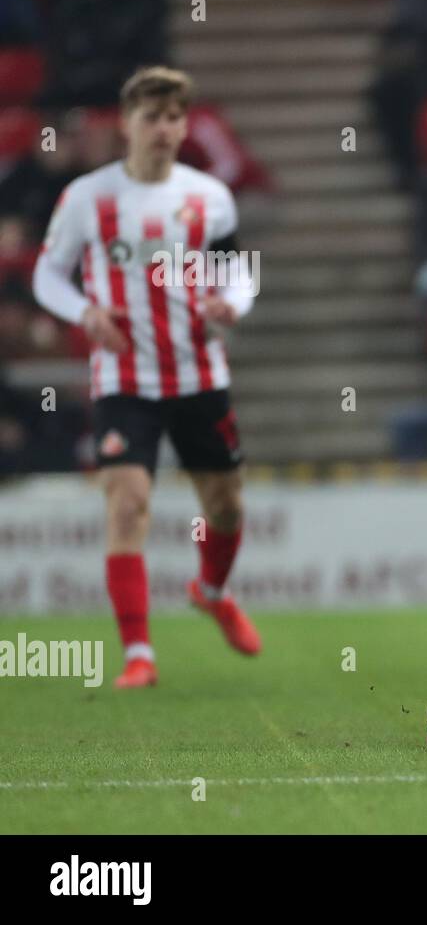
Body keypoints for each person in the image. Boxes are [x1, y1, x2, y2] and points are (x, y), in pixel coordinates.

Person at [32, 66, 259, 688]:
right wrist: (85, 312)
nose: (164, 128)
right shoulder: (88, 197)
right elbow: (47, 275)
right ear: (127, 122)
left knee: (228, 507)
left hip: (198, 372)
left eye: (174, 118)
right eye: (152, 117)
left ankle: (211, 590)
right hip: (123, 379)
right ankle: (139, 654)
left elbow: (239, 271)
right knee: (127, 502)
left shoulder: (208, 196)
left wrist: (229, 307)